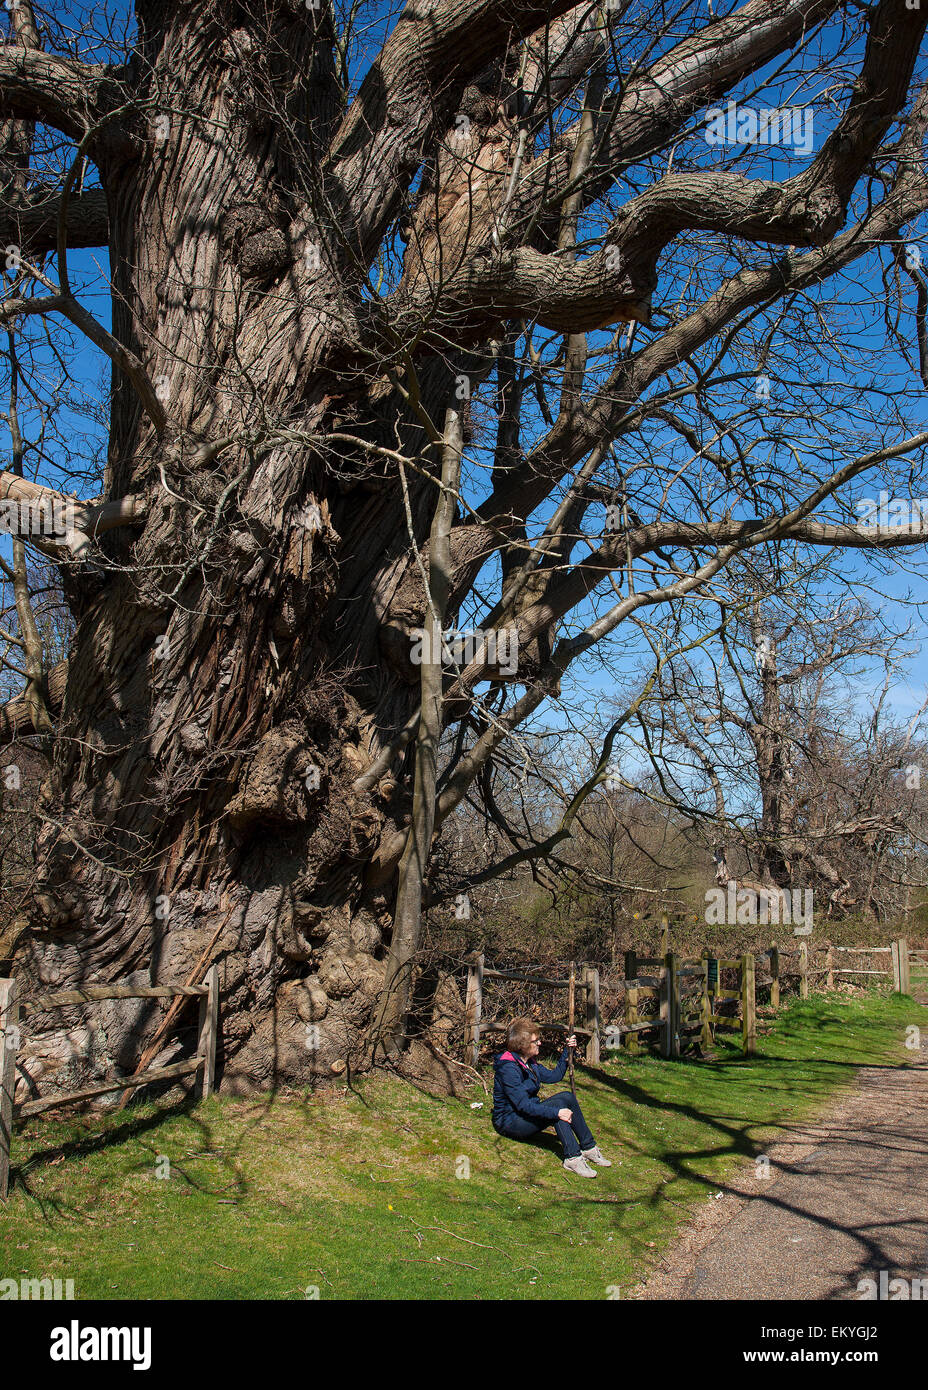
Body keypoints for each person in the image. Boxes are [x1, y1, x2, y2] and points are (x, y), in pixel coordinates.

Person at [492, 1017, 612, 1177]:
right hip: (510, 1122)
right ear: (523, 1045)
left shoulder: (529, 1063)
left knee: (567, 1097)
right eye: (536, 1041)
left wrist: (566, 1052)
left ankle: (588, 1148)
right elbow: (522, 1105)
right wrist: (556, 1113)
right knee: (557, 1110)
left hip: (524, 1114)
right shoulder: (508, 1068)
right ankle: (573, 1158)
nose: (539, 1043)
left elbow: (554, 1076)